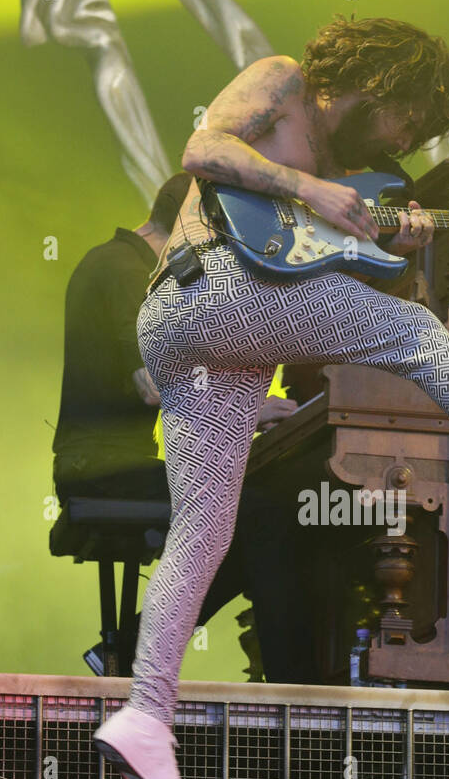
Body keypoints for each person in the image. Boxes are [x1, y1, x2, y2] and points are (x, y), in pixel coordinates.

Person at [94, 15, 449, 779]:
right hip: (207, 292)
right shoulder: (281, 82)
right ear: (380, 85)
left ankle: (147, 714)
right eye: (407, 121)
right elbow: (203, 152)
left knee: (206, 532)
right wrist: (311, 188)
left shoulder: (350, 179)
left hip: (210, 339)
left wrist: (401, 240)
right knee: (419, 337)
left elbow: (312, 269)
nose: (405, 140)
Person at [51, 173, 318, 681]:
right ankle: (297, 688)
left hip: (107, 461)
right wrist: (250, 408)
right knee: (260, 516)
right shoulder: (123, 270)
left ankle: (132, 646)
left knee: (251, 513)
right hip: (99, 468)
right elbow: (152, 383)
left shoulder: (127, 268)